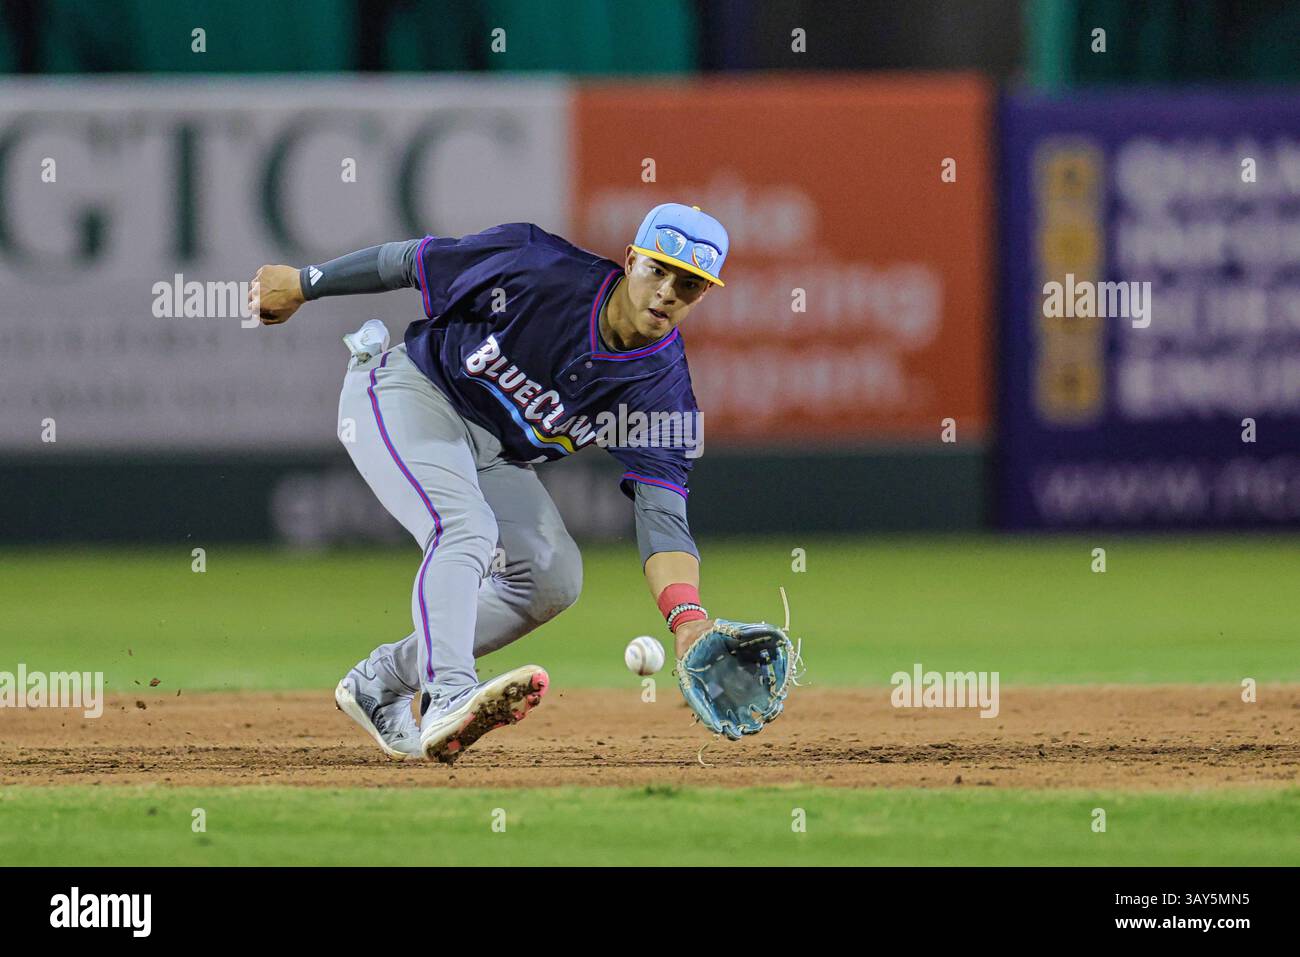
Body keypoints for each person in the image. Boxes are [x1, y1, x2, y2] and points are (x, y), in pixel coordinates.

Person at [248, 203, 727, 763]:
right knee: (463, 527)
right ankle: (450, 692)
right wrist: (306, 284)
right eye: (657, 270)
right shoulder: (537, 266)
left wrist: (687, 619)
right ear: (630, 261)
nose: (667, 291)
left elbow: (662, 513)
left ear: (704, 295)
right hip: (410, 392)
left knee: (553, 578)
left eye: (689, 285)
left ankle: (380, 684)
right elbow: (412, 261)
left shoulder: (661, 391)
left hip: (494, 454)